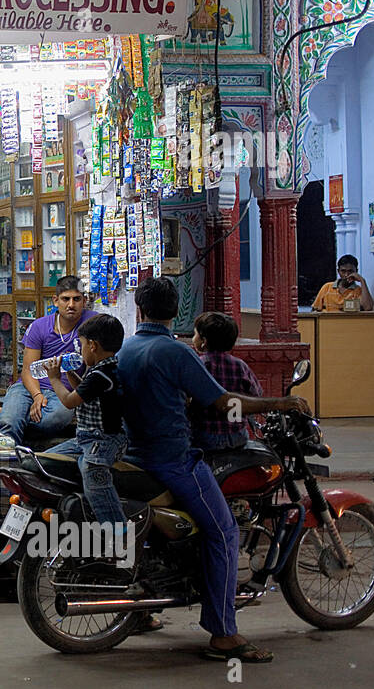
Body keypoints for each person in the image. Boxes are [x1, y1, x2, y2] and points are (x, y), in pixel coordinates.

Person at [118, 278, 309, 663]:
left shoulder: (127, 348)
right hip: (173, 460)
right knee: (224, 533)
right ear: (177, 313)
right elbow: (223, 402)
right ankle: (224, 634)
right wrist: (281, 402)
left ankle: (142, 611)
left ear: (139, 309)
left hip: (134, 456)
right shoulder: (175, 352)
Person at [0, 275, 92, 445]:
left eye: (77, 299)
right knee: (10, 423)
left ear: (84, 301)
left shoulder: (92, 323)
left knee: (50, 421)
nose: (71, 305)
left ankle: (5, 414)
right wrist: (37, 395)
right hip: (28, 386)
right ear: (55, 300)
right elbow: (27, 370)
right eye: (65, 299)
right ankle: (7, 465)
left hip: (62, 391)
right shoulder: (39, 326)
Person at [43, 314, 130, 532]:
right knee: (44, 461)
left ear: (92, 345)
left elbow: (70, 401)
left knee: (92, 470)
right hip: (86, 438)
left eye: (81, 345)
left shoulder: (103, 374)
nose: (80, 351)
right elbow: (84, 390)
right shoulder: (102, 369)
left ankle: (117, 530)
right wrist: (70, 373)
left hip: (104, 440)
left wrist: (54, 378)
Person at [189, 311, 263, 451]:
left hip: (205, 436)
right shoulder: (240, 365)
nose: (193, 339)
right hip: (237, 435)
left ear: (204, 341)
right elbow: (256, 394)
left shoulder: (198, 365)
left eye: (195, 335)